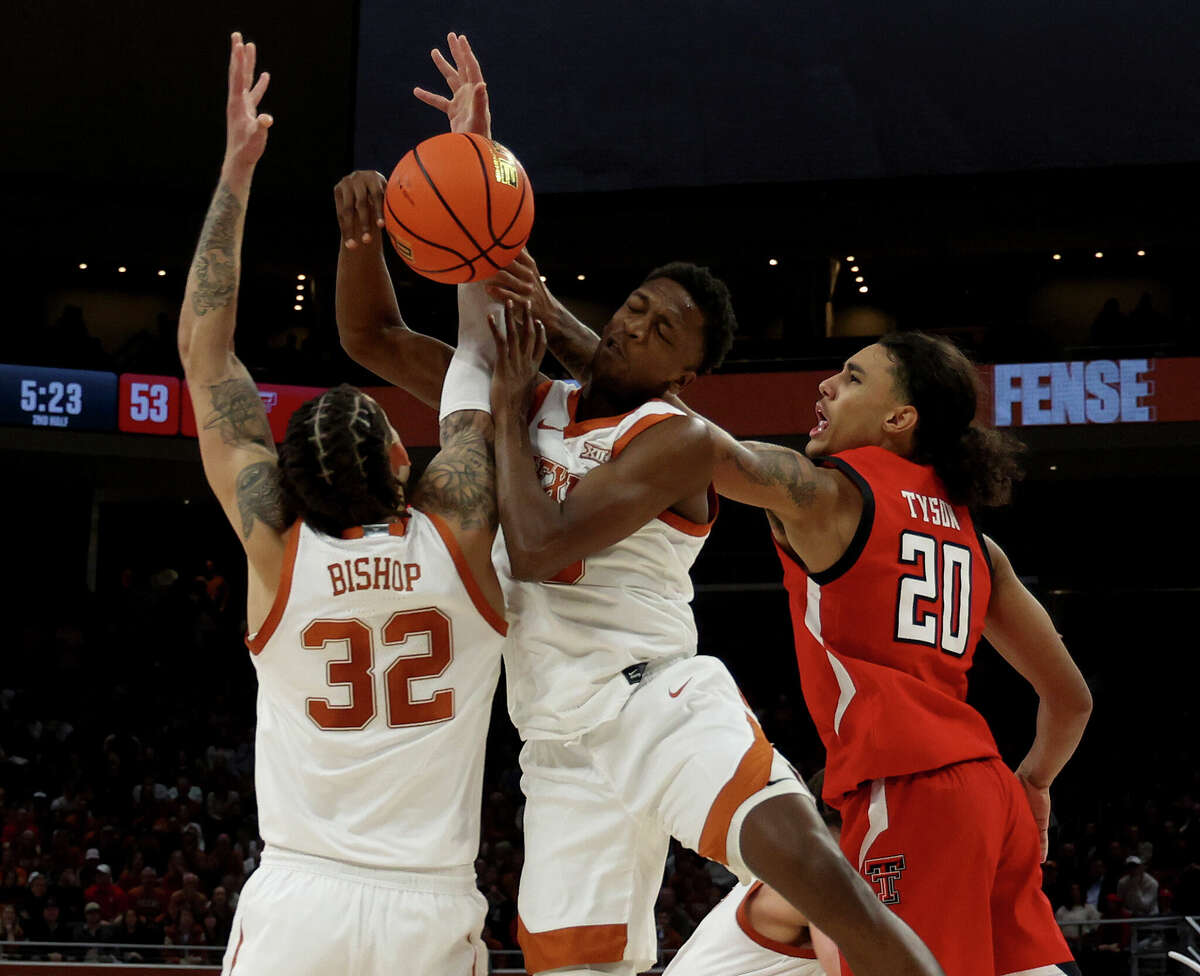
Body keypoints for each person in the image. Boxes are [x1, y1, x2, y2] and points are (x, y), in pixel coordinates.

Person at [336, 33, 943, 976]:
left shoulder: (675, 440)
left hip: (655, 700)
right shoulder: (541, 396)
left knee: (832, 892)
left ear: (685, 374)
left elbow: (537, 550)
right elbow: (373, 336)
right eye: (633, 306)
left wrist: (502, 417)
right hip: (556, 742)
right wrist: (450, 178)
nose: (634, 326)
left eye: (663, 330)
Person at [178, 33, 520, 976]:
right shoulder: (455, 530)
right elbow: (479, 364)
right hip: (429, 908)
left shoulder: (276, 547)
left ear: (286, 477)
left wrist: (236, 173)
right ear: (405, 465)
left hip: (300, 906)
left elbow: (208, 359)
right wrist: (473, 173)